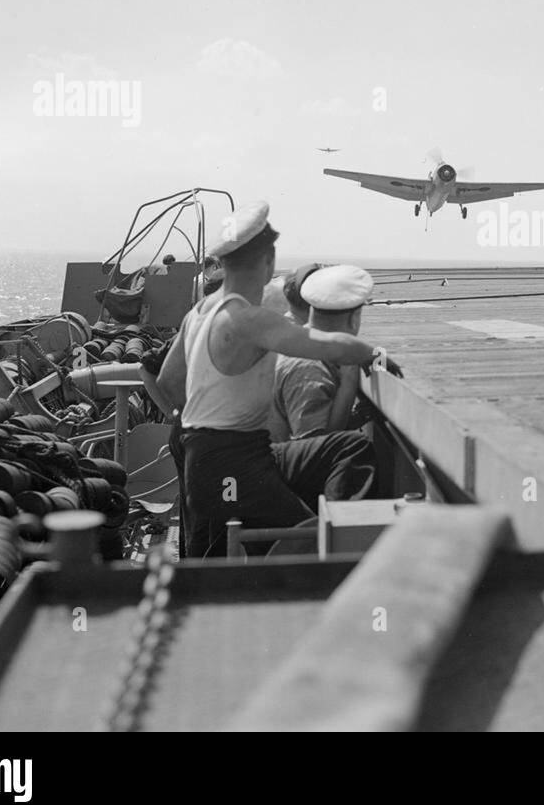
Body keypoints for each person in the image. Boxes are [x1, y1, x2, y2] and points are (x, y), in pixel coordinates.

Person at [155, 201, 400, 558]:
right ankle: (334, 564)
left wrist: (204, 417)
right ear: (269, 261)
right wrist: (372, 354)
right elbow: (325, 344)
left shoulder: (199, 313)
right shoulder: (248, 319)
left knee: (350, 446)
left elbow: (167, 381)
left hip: (231, 457)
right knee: (309, 540)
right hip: (231, 467)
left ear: (225, 262)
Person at [270, 263, 372, 440]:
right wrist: (348, 385)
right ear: (354, 320)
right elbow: (314, 449)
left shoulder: (302, 346)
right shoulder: (309, 368)